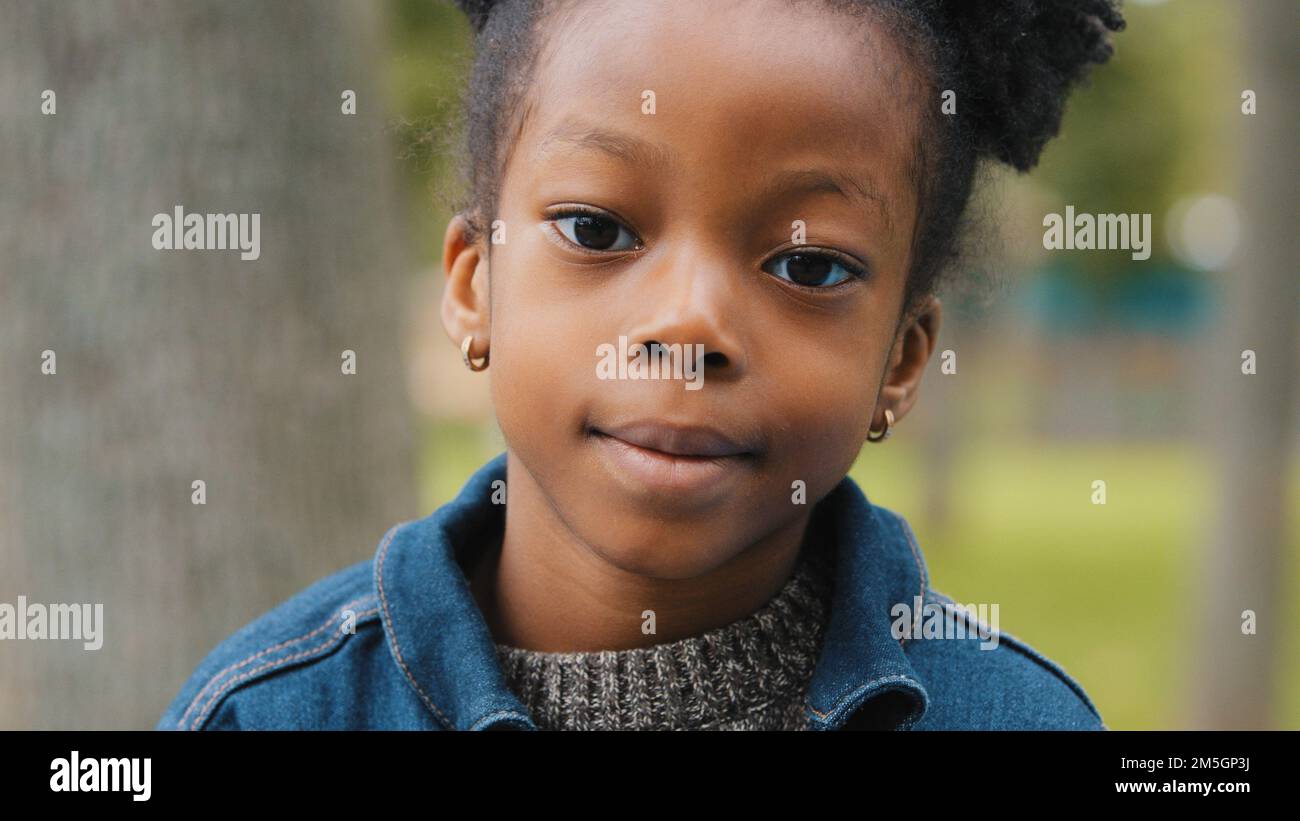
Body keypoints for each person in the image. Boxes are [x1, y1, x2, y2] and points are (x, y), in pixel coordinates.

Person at [158, 0, 1124, 731]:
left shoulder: (1017, 718)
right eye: (598, 229)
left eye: (808, 265)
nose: (687, 324)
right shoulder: (270, 713)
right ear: (474, 285)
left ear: (901, 359)